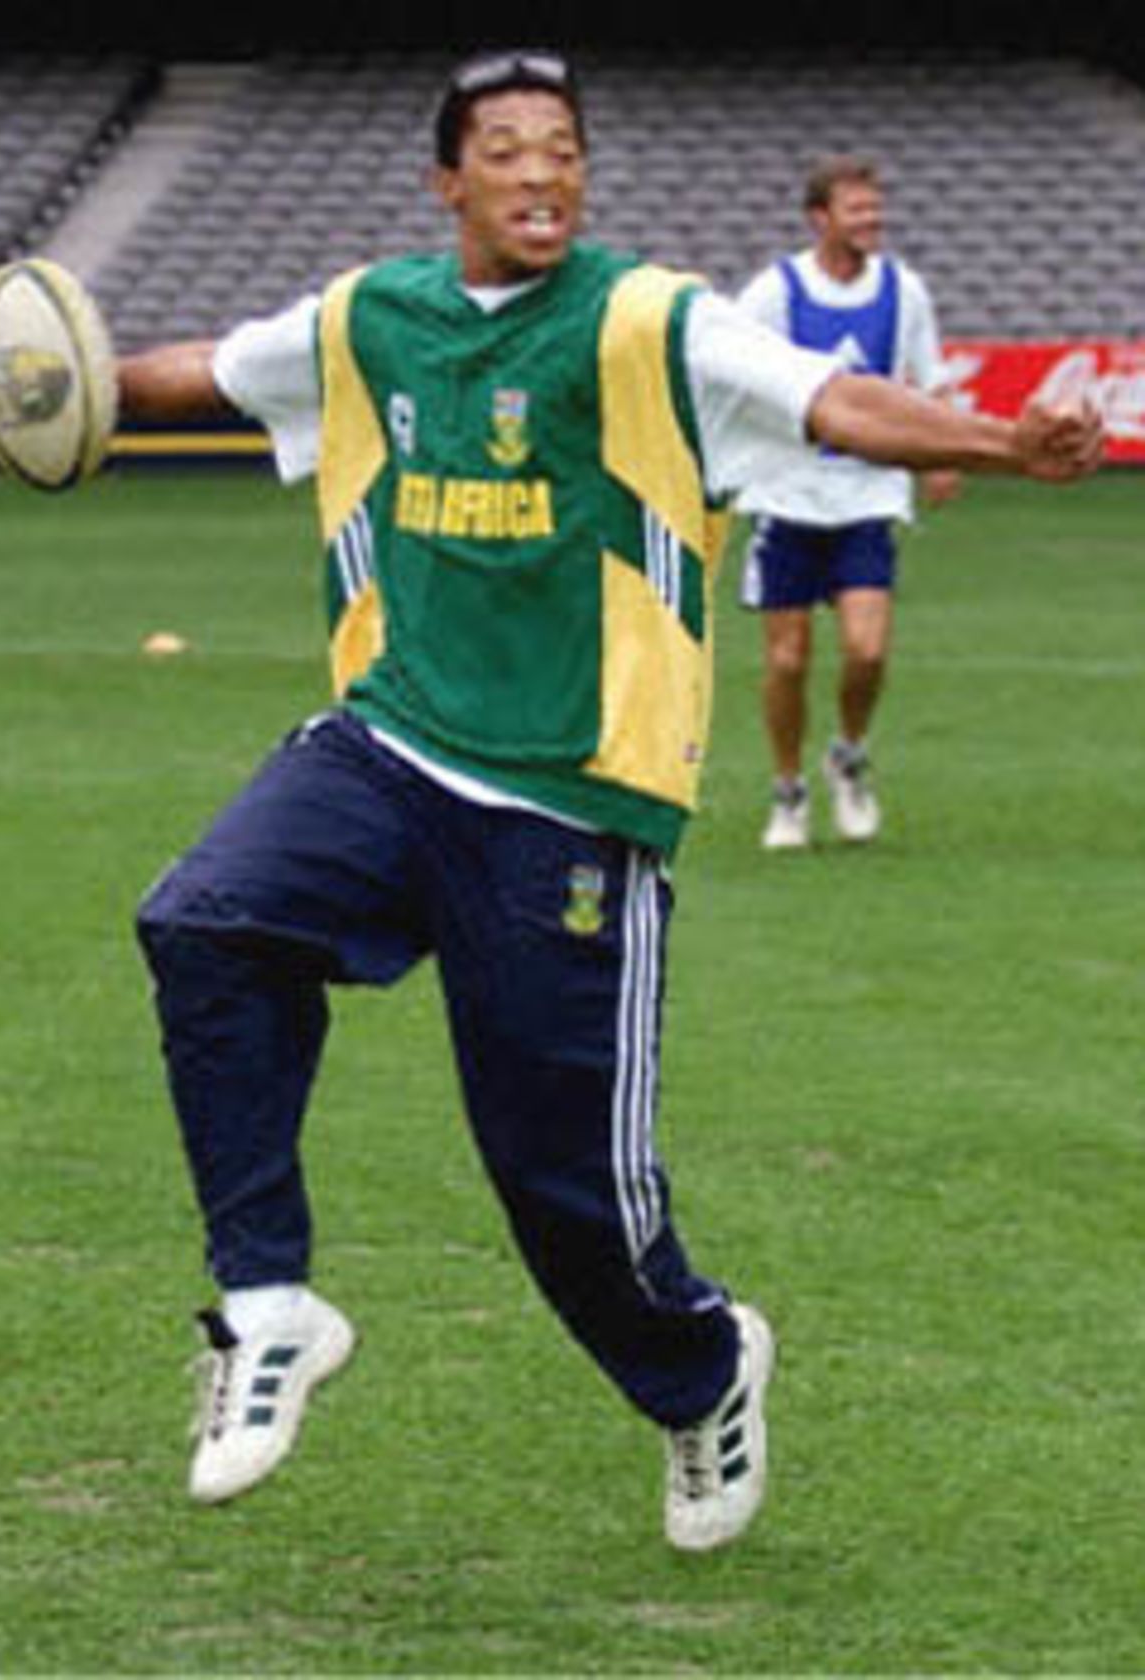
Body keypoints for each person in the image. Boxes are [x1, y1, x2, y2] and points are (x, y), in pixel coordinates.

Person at [116, 51, 1100, 1553]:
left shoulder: (654, 321)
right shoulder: (370, 316)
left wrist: (1002, 447)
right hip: (390, 749)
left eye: (561, 149)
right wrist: (54, 382)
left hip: (572, 807)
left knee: (562, 1199)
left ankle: (703, 1373)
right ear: (448, 180)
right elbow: (203, 371)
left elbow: (830, 400)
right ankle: (266, 1308)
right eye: (504, 150)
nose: (538, 174)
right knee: (204, 922)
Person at [734, 154, 959, 851]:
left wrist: (943, 452)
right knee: (788, 661)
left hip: (868, 493)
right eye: (856, 208)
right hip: (788, 496)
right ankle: (787, 791)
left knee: (866, 649)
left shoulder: (904, 290)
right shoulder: (775, 292)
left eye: (875, 207)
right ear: (819, 218)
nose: (871, 219)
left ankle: (848, 758)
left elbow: (929, 379)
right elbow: (730, 367)